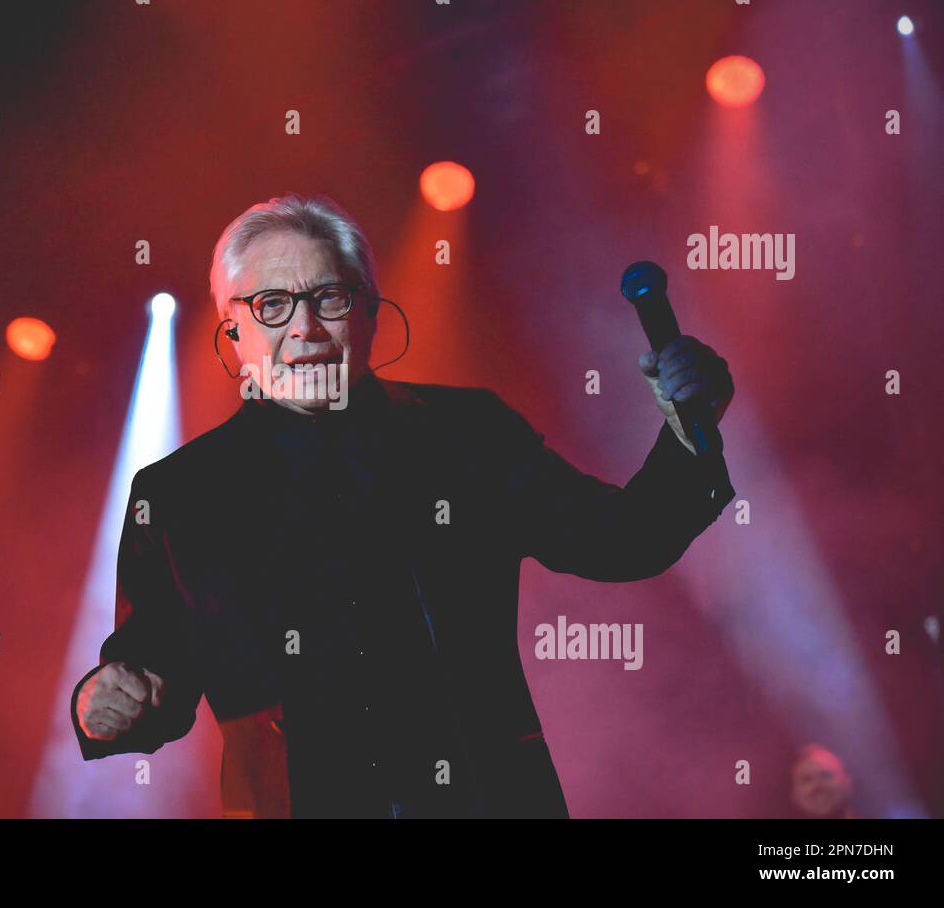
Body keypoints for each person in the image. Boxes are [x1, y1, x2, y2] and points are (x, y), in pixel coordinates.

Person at [71, 193, 736, 817]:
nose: (304, 328)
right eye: (271, 304)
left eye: (327, 297)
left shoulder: (467, 433)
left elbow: (622, 538)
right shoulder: (178, 495)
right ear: (233, 331)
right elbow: (151, 667)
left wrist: (688, 434)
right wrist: (105, 701)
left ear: (370, 313)